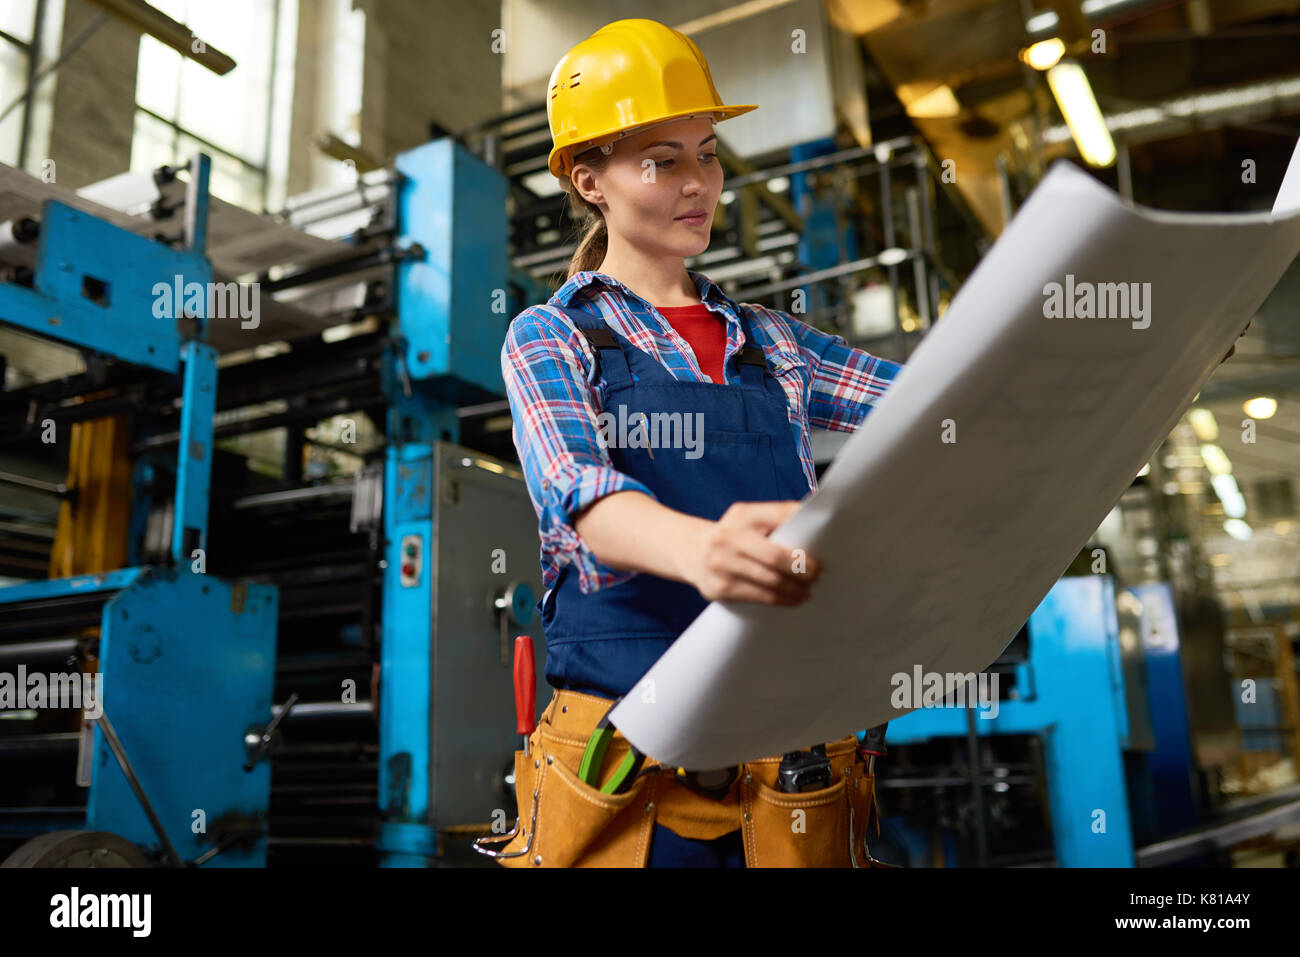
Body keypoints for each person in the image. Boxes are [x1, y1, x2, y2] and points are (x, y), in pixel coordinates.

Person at [482, 18, 1246, 869]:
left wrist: (1162, 349)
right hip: (630, 776)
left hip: (791, 766)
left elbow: (950, 410)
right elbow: (579, 492)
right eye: (663, 159)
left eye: (707, 152)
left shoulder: (777, 344)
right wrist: (703, 549)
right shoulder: (553, 337)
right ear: (589, 180)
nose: (700, 182)